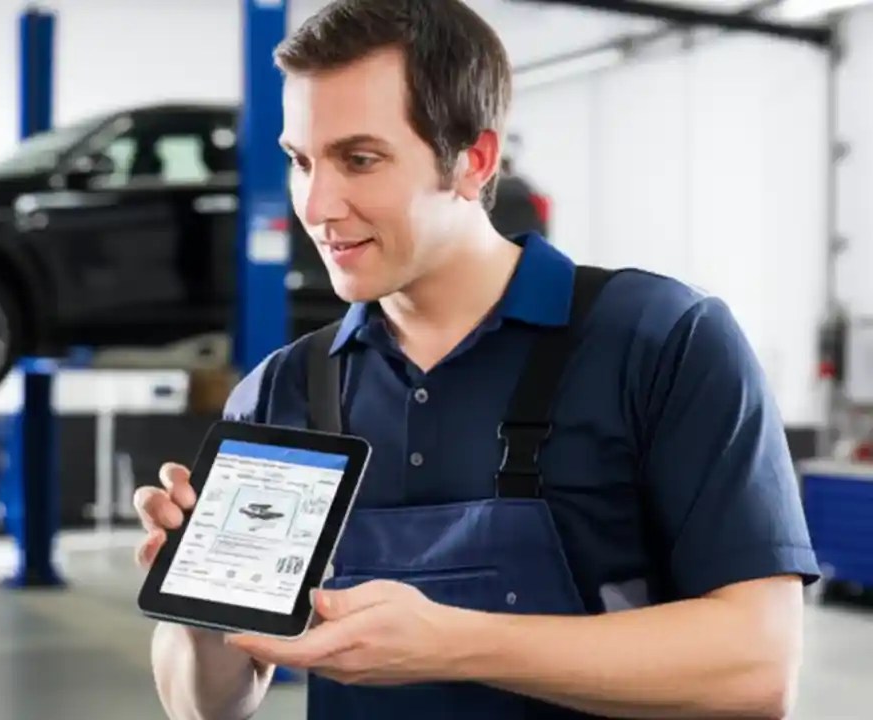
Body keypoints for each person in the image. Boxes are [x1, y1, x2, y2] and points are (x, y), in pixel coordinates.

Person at [133, 1, 819, 718]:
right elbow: (206, 708)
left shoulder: (660, 341)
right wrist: (198, 609)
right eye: (301, 161)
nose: (318, 203)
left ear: (473, 161)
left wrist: (451, 643)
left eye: (358, 159)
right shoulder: (283, 393)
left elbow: (756, 666)